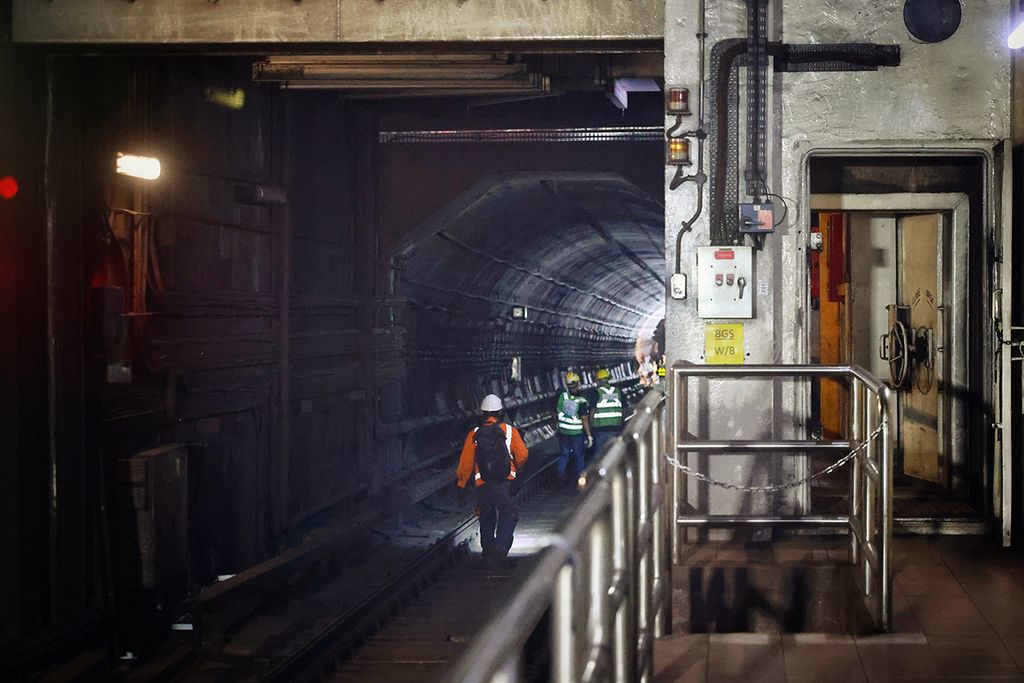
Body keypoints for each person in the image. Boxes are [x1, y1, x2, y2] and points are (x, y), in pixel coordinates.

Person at [455, 394, 529, 567]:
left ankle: (488, 551)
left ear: (482, 413)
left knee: (486, 516)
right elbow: (523, 455)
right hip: (505, 483)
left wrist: (461, 484)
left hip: (483, 485)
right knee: (508, 513)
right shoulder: (510, 431)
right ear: (501, 412)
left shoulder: (474, 434)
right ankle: (500, 550)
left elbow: (465, 463)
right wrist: (516, 467)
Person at [555, 371, 592, 483]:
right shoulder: (581, 401)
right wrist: (589, 435)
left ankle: (560, 472)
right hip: (576, 433)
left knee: (564, 453)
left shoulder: (563, 396)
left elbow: (557, 410)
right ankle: (580, 476)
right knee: (579, 455)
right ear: (578, 384)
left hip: (563, 432)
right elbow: (584, 419)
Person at [590, 368, 625, 457]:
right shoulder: (618, 391)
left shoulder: (595, 393)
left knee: (599, 456)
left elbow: (592, 411)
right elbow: (624, 409)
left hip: (600, 430)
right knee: (614, 455)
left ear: (598, 381)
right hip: (615, 428)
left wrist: (590, 429)